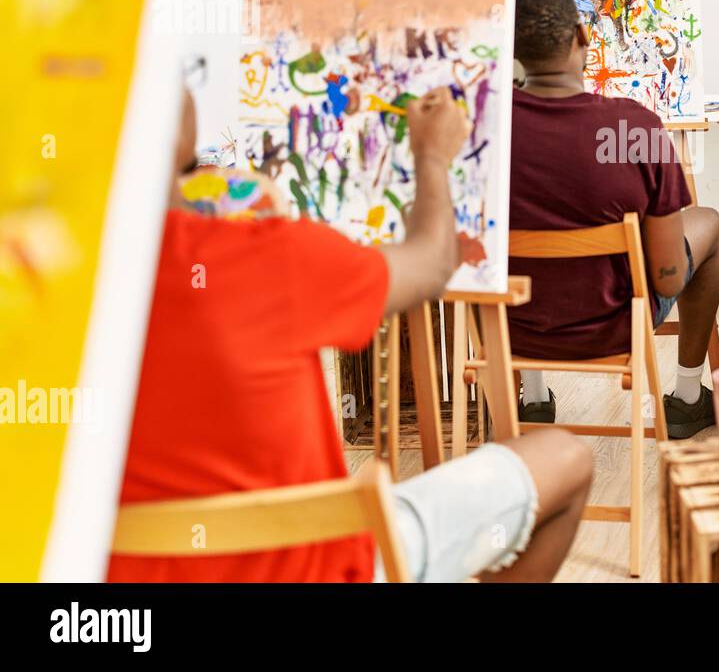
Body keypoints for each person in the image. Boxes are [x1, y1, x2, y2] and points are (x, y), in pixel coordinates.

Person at [109, 85, 593, 583]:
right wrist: (431, 157)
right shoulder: (259, 254)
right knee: (565, 458)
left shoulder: (37, 285)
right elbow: (432, 262)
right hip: (319, 571)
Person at [508, 0, 719, 439]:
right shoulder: (634, 127)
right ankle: (688, 398)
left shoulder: (482, 130)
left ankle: (530, 398)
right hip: (613, 327)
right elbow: (666, 278)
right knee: (710, 224)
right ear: (584, 38)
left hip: (510, 328)